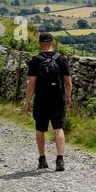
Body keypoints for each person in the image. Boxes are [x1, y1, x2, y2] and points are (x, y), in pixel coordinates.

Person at [24, 32, 72, 171]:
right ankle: (60, 159)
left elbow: (31, 83)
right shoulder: (61, 59)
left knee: (40, 129)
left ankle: (42, 159)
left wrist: (27, 101)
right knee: (58, 128)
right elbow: (68, 82)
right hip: (58, 98)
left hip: (41, 99)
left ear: (40, 43)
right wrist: (68, 97)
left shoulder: (36, 60)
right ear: (53, 42)